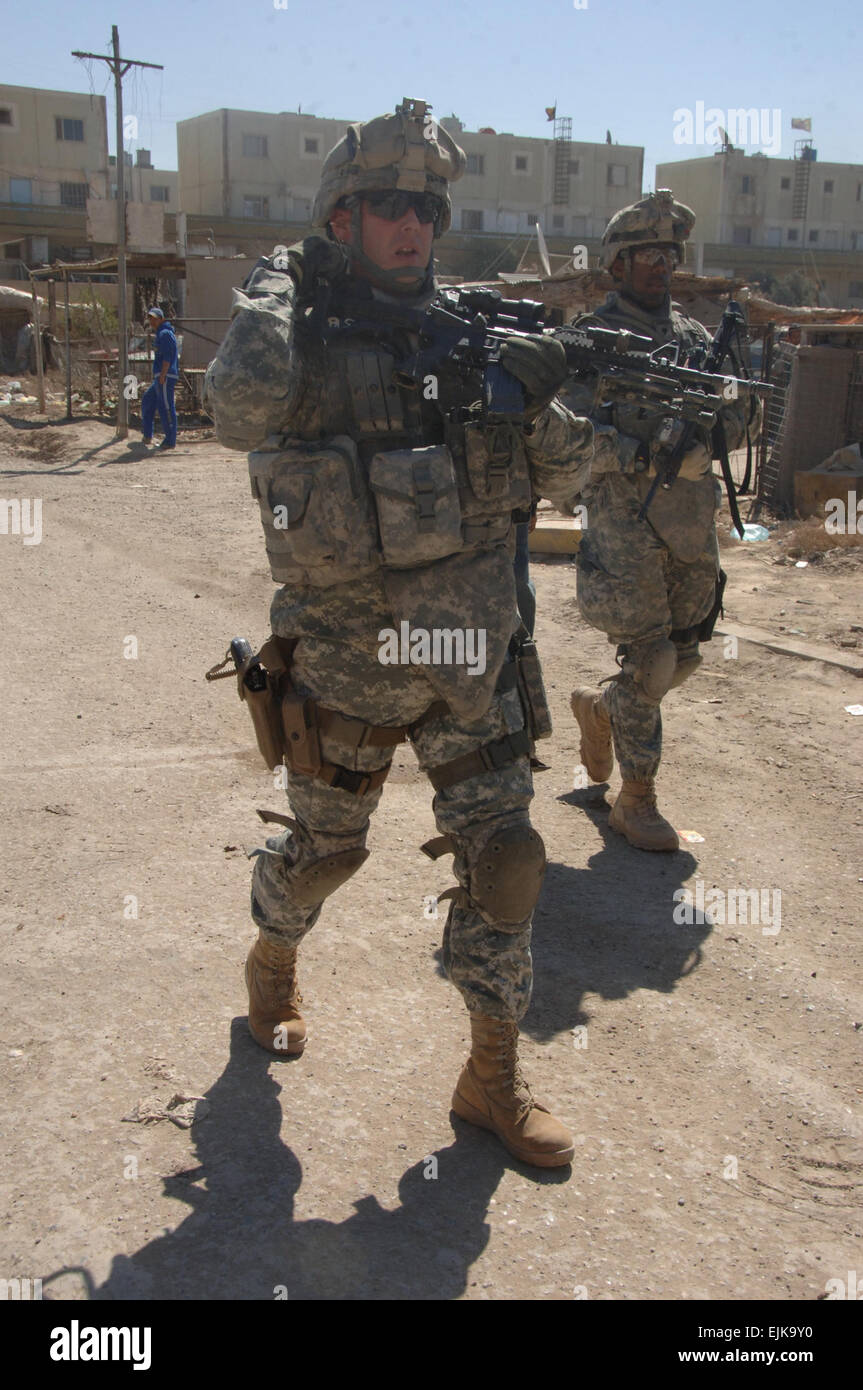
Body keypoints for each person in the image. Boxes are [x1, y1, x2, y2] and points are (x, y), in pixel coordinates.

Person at [204, 99, 595, 1169]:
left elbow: (566, 473)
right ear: (342, 216)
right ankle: (273, 958)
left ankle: (490, 1074)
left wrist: (540, 398)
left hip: (468, 663)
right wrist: (276, 287)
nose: (409, 222)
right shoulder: (299, 333)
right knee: (326, 855)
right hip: (344, 664)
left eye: (423, 203)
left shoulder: (477, 332)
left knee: (507, 858)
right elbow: (233, 410)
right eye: (384, 203)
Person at [562, 191, 758, 852]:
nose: (660, 265)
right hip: (623, 524)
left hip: (689, 526)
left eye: (669, 254)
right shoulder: (588, 341)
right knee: (650, 660)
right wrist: (637, 450)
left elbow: (737, 416)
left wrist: (717, 432)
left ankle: (601, 709)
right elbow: (561, 435)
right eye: (645, 254)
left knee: (687, 654)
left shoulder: (696, 339)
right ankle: (635, 799)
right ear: (616, 264)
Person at [141, 306, 178, 450]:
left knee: (166, 407)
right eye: (150, 319)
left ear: (161, 319)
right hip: (160, 376)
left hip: (165, 375)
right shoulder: (160, 333)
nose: (152, 322)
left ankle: (170, 440)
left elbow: (168, 357)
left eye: (154, 318)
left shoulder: (165, 333)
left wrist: (163, 374)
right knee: (148, 400)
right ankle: (147, 434)